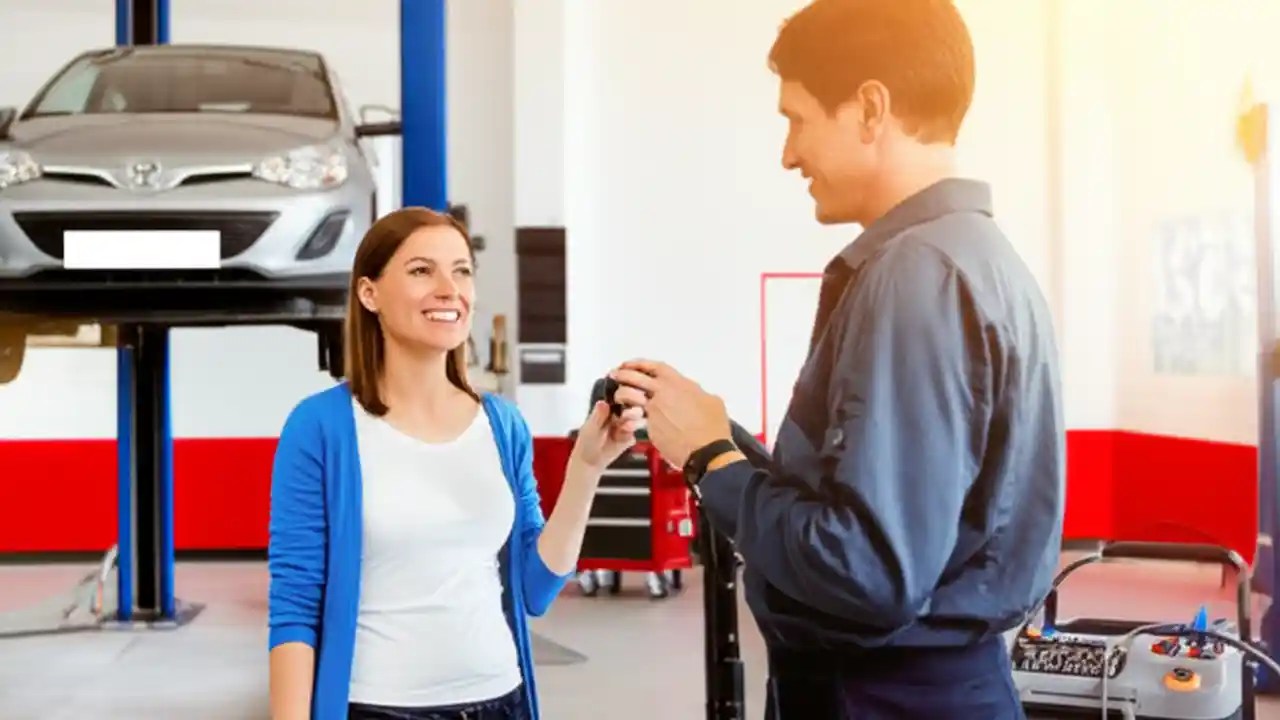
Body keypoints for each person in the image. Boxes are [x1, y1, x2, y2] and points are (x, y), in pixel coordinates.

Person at [609, 0, 1065, 717]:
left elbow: (867, 572)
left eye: (796, 119)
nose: (789, 154)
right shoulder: (978, 260)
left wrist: (710, 465)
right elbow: (880, 518)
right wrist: (721, 437)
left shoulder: (916, 275)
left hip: (885, 697)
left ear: (870, 108)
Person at [267, 207, 643, 720]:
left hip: (500, 701)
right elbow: (295, 607)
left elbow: (535, 589)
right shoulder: (321, 427)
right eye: (422, 270)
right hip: (378, 707)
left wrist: (587, 468)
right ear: (369, 293)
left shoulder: (503, 425)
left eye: (461, 270)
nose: (450, 288)